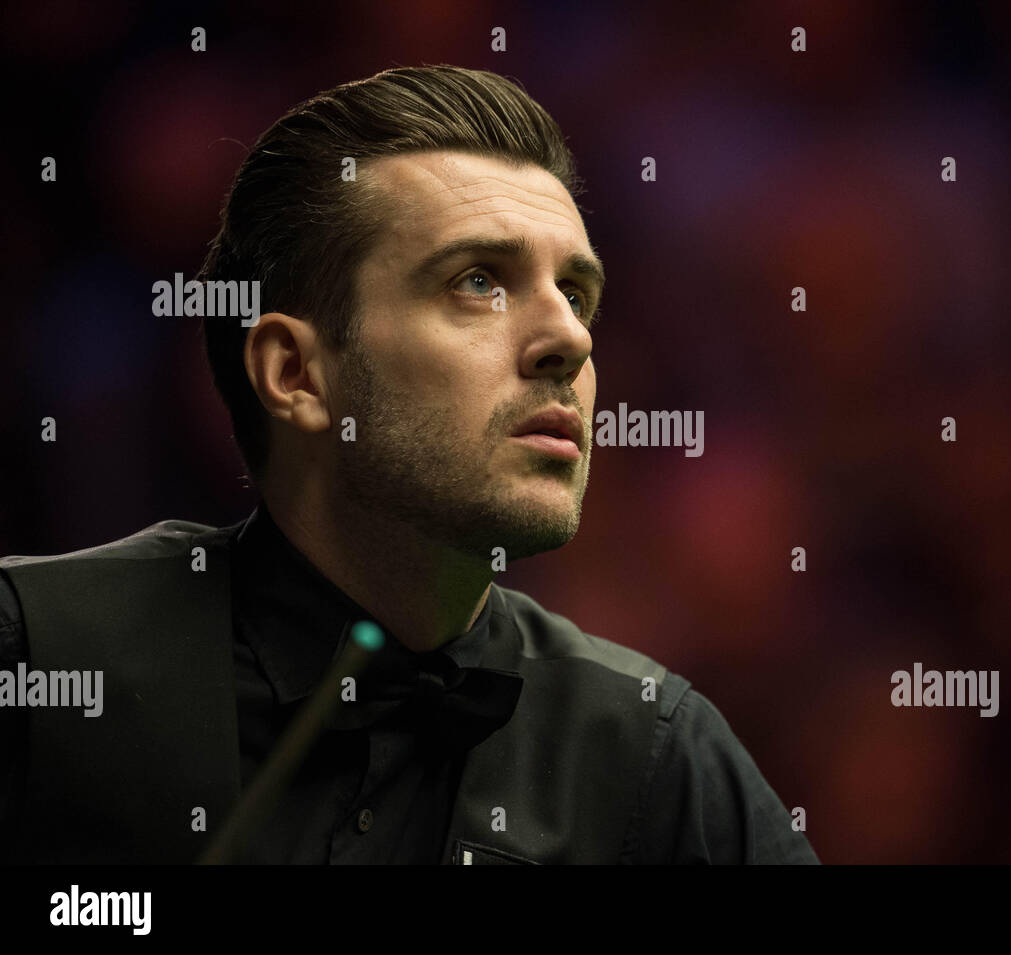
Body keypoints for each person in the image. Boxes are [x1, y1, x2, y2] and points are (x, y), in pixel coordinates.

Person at [0, 64, 818, 865]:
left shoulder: (654, 753)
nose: (571, 337)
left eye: (576, 292)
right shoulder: (41, 658)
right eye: (476, 281)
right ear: (294, 374)